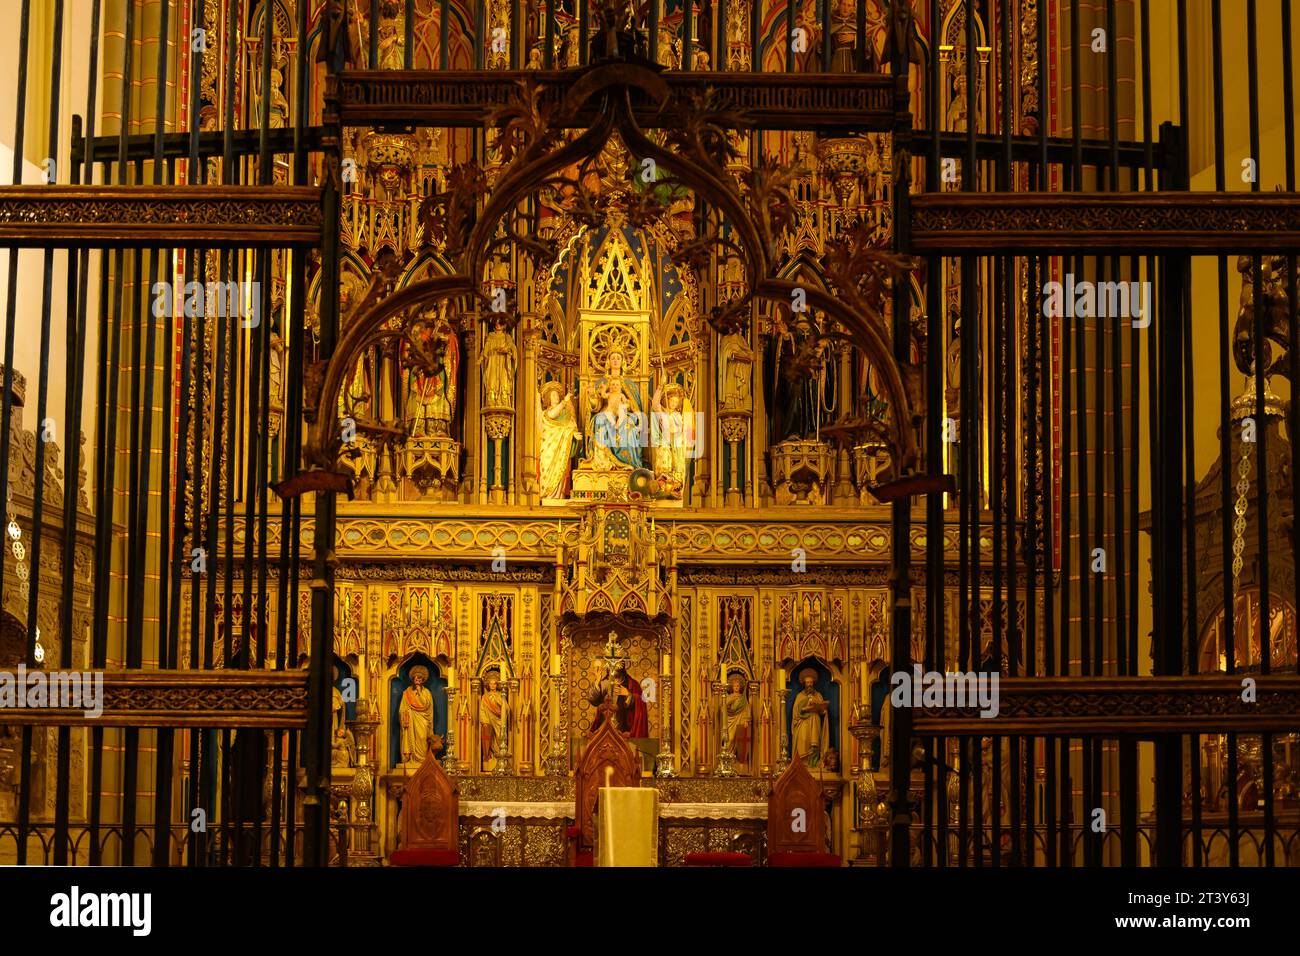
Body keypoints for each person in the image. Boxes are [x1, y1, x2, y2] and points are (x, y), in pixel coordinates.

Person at [537, 383, 580, 499]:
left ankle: (558, 496)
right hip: (548, 448)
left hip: (561, 448)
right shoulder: (546, 414)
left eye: (557, 395)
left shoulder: (565, 413)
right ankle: (547, 495)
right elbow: (552, 414)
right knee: (547, 467)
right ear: (548, 398)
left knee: (561, 469)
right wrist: (565, 401)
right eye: (553, 395)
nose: (556, 397)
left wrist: (572, 433)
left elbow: (571, 425)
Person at [791, 667, 830, 768]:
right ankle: (802, 765)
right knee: (803, 742)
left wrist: (823, 711)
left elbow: (822, 710)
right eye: (807, 682)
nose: (809, 684)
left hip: (815, 723)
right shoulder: (800, 696)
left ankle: (813, 763)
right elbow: (796, 712)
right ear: (804, 683)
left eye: (811, 682)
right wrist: (804, 709)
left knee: (814, 744)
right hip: (803, 723)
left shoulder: (818, 695)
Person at [399, 665, 436, 765]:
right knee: (409, 738)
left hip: (423, 719)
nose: (417, 680)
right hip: (411, 719)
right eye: (416, 678)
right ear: (413, 679)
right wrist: (406, 714)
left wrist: (419, 693)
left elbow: (427, 706)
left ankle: (423, 759)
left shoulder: (426, 692)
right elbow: (402, 707)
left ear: (423, 680)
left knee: (422, 737)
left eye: (420, 678)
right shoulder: (407, 692)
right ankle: (410, 758)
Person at [479, 669, 506, 771]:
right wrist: (485, 722)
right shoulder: (484, 697)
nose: (493, 686)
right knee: (488, 739)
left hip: (499, 721)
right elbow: (482, 710)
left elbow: (506, 709)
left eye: (495, 684)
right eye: (491, 684)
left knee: (499, 739)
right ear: (488, 685)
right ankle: (490, 757)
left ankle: (500, 757)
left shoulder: (500, 695)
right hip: (488, 722)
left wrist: (499, 701)